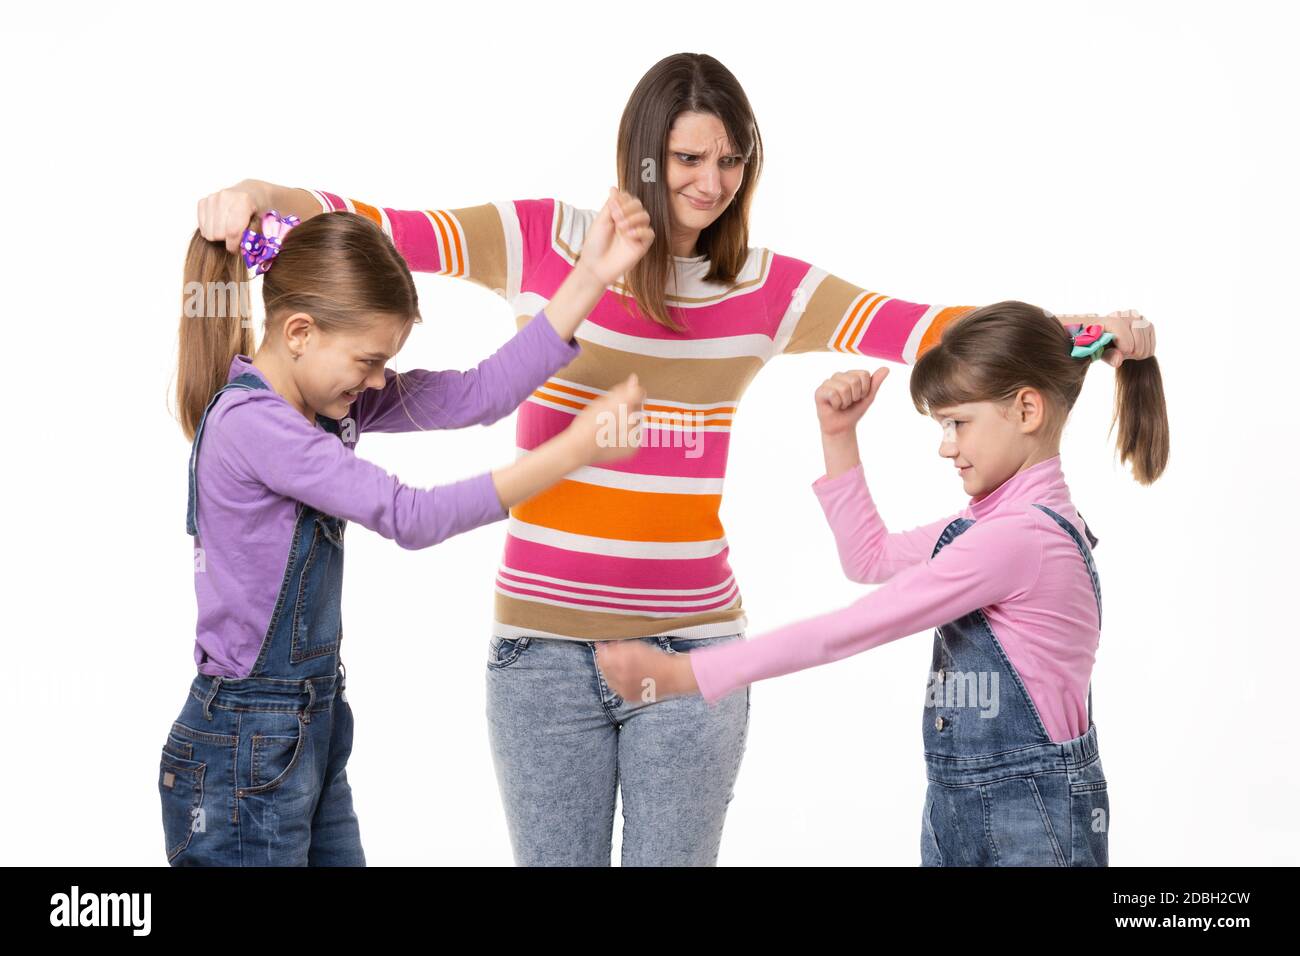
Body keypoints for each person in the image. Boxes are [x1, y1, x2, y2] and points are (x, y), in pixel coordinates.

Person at [196, 53, 1157, 866]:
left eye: (731, 162)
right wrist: (262, 197)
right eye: (689, 157)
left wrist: (1081, 334)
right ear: (642, 153)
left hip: (694, 644)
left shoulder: (767, 287)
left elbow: (925, 328)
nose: (710, 182)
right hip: (539, 655)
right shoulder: (544, 238)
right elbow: (382, 227)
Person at [161, 190, 652, 865]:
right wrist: (571, 453)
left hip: (310, 726)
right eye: (367, 362)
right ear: (300, 333)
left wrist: (591, 275)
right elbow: (410, 516)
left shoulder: (321, 399)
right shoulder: (254, 426)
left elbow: (477, 393)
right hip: (245, 745)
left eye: (384, 362)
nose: (376, 381)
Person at [596, 300, 1168, 865]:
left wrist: (686, 673)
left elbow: (853, 628)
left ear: (1026, 410)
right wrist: (839, 436)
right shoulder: (994, 526)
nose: (947, 446)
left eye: (957, 423)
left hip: (1028, 817)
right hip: (966, 804)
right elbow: (870, 558)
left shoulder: (1015, 540)